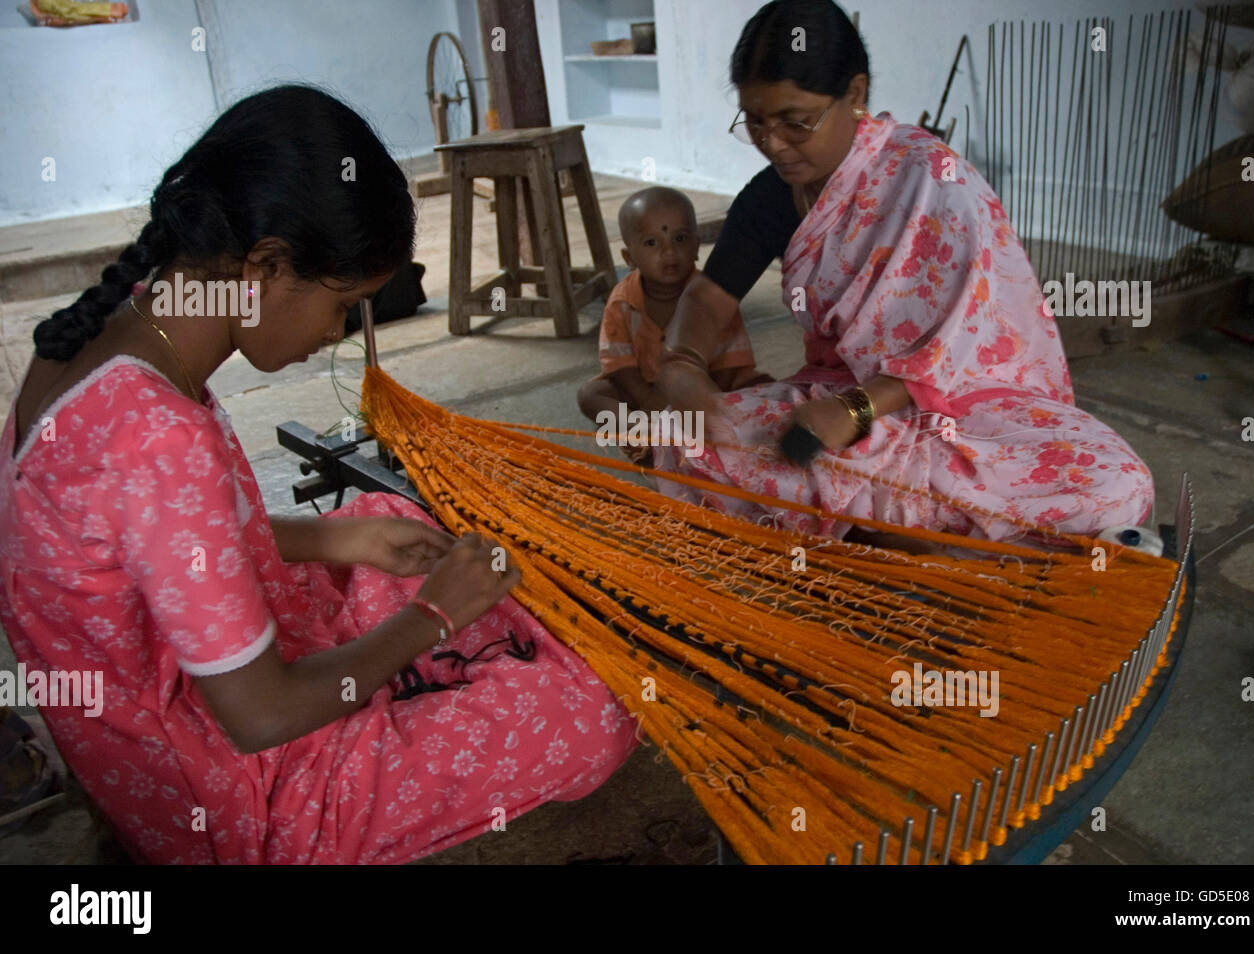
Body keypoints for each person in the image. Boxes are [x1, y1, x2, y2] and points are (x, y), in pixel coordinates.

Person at [0, 85, 637, 864]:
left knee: (386, 523)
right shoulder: (158, 436)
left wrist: (338, 543)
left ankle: (425, 661)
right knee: (594, 711)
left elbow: (151, 550)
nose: (335, 335)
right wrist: (429, 621)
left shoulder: (110, 332)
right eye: (343, 307)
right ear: (267, 265)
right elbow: (261, 716)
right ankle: (437, 675)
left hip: (152, 733)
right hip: (235, 793)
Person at [655, 0, 1153, 546]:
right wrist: (682, 364)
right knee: (688, 440)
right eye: (755, 122)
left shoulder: (933, 181)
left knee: (1115, 484)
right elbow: (709, 297)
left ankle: (869, 535)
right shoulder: (775, 193)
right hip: (834, 404)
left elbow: (970, 344)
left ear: (857, 96)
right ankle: (926, 544)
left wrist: (858, 409)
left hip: (966, 408)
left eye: (795, 122)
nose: (773, 143)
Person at [578, 187, 768, 465]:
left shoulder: (714, 295)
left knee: (762, 391)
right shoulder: (621, 302)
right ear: (629, 257)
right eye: (652, 243)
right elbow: (620, 366)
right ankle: (647, 437)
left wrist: (699, 400)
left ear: (696, 245)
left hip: (707, 391)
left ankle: (677, 440)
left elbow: (730, 364)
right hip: (645, 393)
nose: (669, 252)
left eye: (680, 239)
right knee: (591, 395)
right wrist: (650, 403)